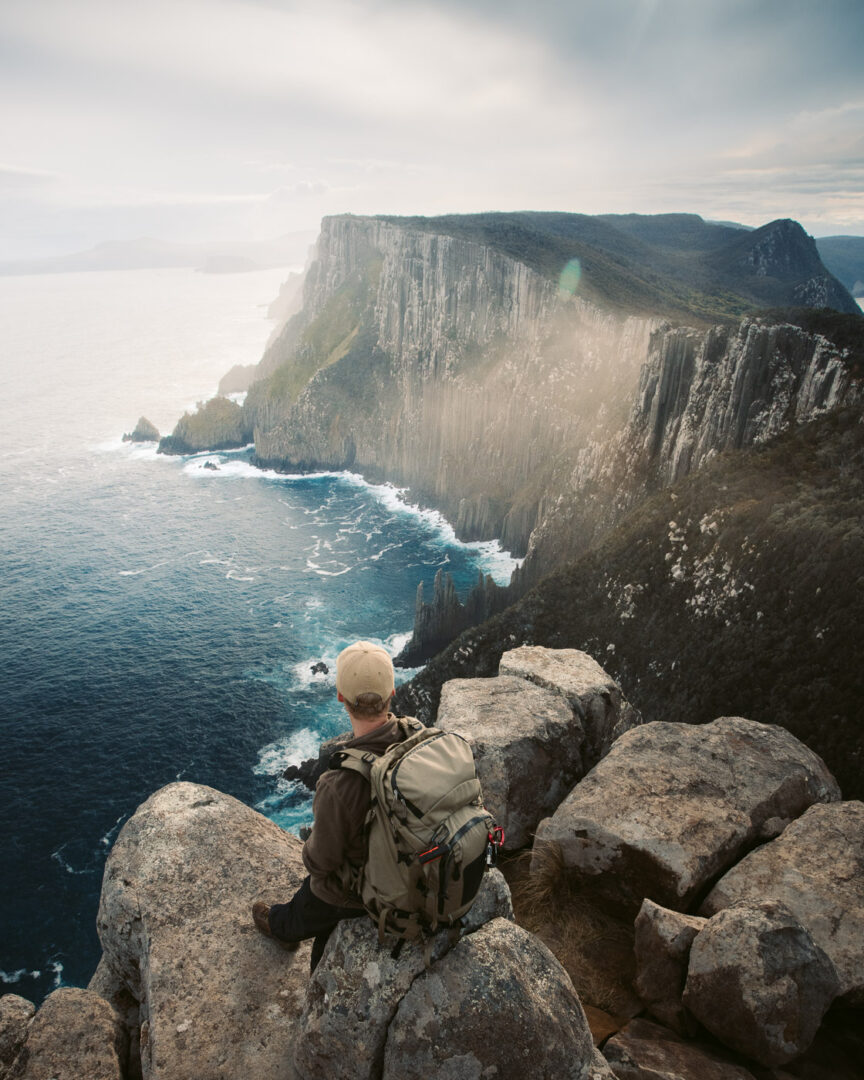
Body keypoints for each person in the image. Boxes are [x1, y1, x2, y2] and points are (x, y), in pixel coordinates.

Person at [252, 640, 407, 971]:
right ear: (392, 691)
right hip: (417, 866)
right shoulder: (418, 739)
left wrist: (308, 843)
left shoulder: (338, 783)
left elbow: (321, 862)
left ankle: (281, 927)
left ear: (340, 698)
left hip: (370, 892)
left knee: (320, 887)